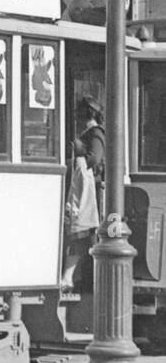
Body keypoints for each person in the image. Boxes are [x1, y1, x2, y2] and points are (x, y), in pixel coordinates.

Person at [63, 96, 105, 290]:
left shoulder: (95, 133)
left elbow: (94, 158)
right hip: (86, 191)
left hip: (90, 194)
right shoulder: (90, 132)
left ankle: (73, 278)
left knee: (81, 235)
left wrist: (77, 156)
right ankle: (76, 278)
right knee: (82, 237)